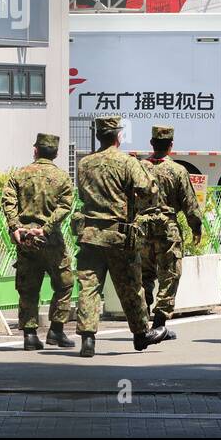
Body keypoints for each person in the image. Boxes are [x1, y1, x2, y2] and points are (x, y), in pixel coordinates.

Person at [73, 116, 168, 358]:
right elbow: (149, 191)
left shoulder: (84, 164)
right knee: (130, 287)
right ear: (118, 136)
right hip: (118, 236)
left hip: (89, 234)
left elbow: (83, 193)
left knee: (89, 288)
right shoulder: (127, 162)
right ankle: (140, 335)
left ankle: (87, 339)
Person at [0, 132, 77, 350]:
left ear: (35, 150)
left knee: (28, 287)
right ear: (56, 153)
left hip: (24, 239)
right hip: (50, 240)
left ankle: (30, 335)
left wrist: (15, 226)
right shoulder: (62, 177)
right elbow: (65, 206)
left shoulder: (19, 175)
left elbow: (8, 200)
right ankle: (56, 330)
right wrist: (47, 228)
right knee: (65, 283)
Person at [141, 125, 203, 340]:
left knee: (143, 276)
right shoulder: (177, 170)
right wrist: (197, 227)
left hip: (141, 228)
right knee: (169, 275)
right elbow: (190, 204)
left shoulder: (138, 168)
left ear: (151, 144)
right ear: (171, 146)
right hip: (167, 229)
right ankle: (159, 324)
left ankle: (141, 321)